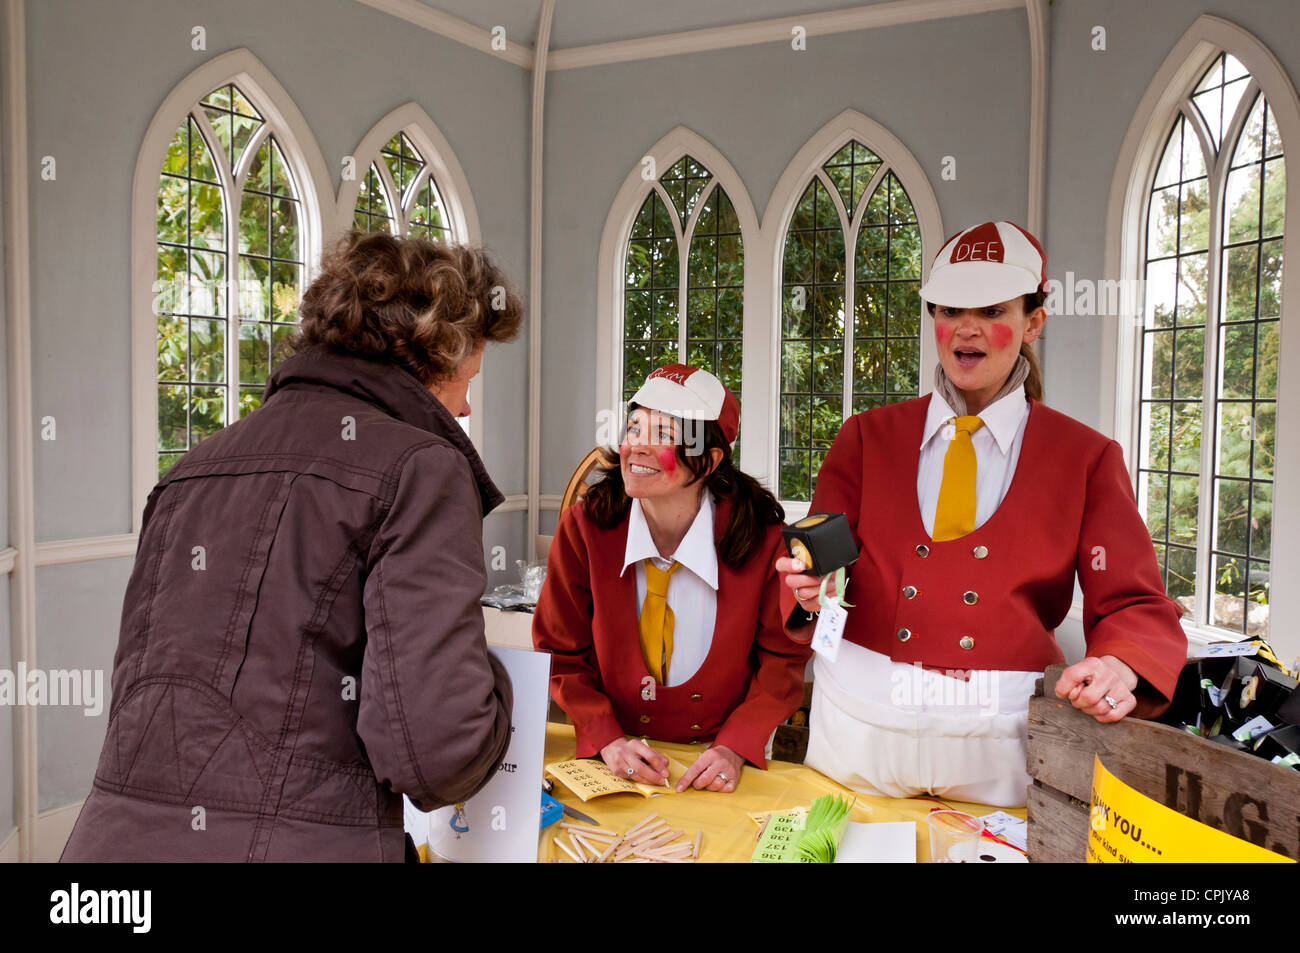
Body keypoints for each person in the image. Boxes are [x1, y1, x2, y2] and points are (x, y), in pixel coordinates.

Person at [61, 232, 522, 861]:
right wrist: (491, 677)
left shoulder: (189, 471)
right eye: (468, 379)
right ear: (433, 358)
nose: (466, 405)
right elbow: (436, 755)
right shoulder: (422, 467)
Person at [778, 221, 1188, 807]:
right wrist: (809, 587)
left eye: (991, 309)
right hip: (861, 729)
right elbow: (819, 560)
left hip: (1002, 738)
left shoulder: (1087, 458)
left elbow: (1133, 600)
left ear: (1034, 322)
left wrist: (1122, 664)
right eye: (950, 309)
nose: (966, 328)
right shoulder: (865, 439)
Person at [533, 365, 811, 793]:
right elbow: (561, 652)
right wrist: (606, 738)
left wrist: (735, 746)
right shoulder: (584, 528)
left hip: (724, 761)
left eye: (663, 435)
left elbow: (782, 661)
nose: (636, 448)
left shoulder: (762, 538)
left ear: (710, 460)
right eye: (633, 428)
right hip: (615, 759)